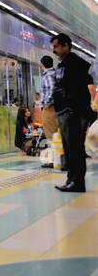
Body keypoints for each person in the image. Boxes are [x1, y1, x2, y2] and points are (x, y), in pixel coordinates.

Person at [49, 33, 95, 192]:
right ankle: (71, 179)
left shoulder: (75, 64)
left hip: (73, 112)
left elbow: (76, 90)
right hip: (64, 112)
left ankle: (78, 182)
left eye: (56, 46)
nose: (53, 50)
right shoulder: (62, 65)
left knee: (75, 148)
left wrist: (72, 108)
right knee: (69, 148)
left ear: (66, 46)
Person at [38, 55, 59, 168]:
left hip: (50, 108)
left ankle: (54, 160)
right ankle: (57, 159)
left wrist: (47, 102)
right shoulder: (54, 73)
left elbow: (52, 88)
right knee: (54, 134)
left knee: (51, 134)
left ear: (42, 64)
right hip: (53, 108)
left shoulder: (49, 75)